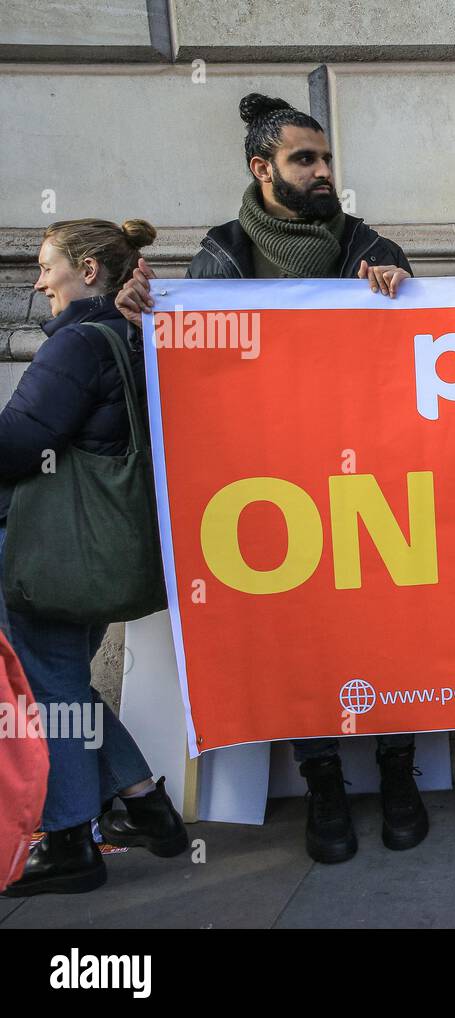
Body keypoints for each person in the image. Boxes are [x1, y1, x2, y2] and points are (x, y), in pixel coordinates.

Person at [116, 93, 423, 865]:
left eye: (326, 160)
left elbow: (421, 366)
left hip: (371, 491)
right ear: (263, 169)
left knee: (391, 635)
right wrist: (138, 320)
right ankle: (323, 788)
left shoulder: (372, 245)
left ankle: (397, 776)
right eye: (304, 160)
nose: (324, 173)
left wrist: (402, 300)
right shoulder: (221, 257)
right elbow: (185, 374)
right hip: (270, 495)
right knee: (300, 642)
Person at [0, 219, 188, 897]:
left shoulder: (78, 344)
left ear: (86, 271)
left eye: (46, 267)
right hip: (98, 553)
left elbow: (19, 443)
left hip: (52, 553)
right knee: (62, 684)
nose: (37, 281)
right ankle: (143, 802)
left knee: (49, 693)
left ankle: (72, 841)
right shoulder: (134, 335)